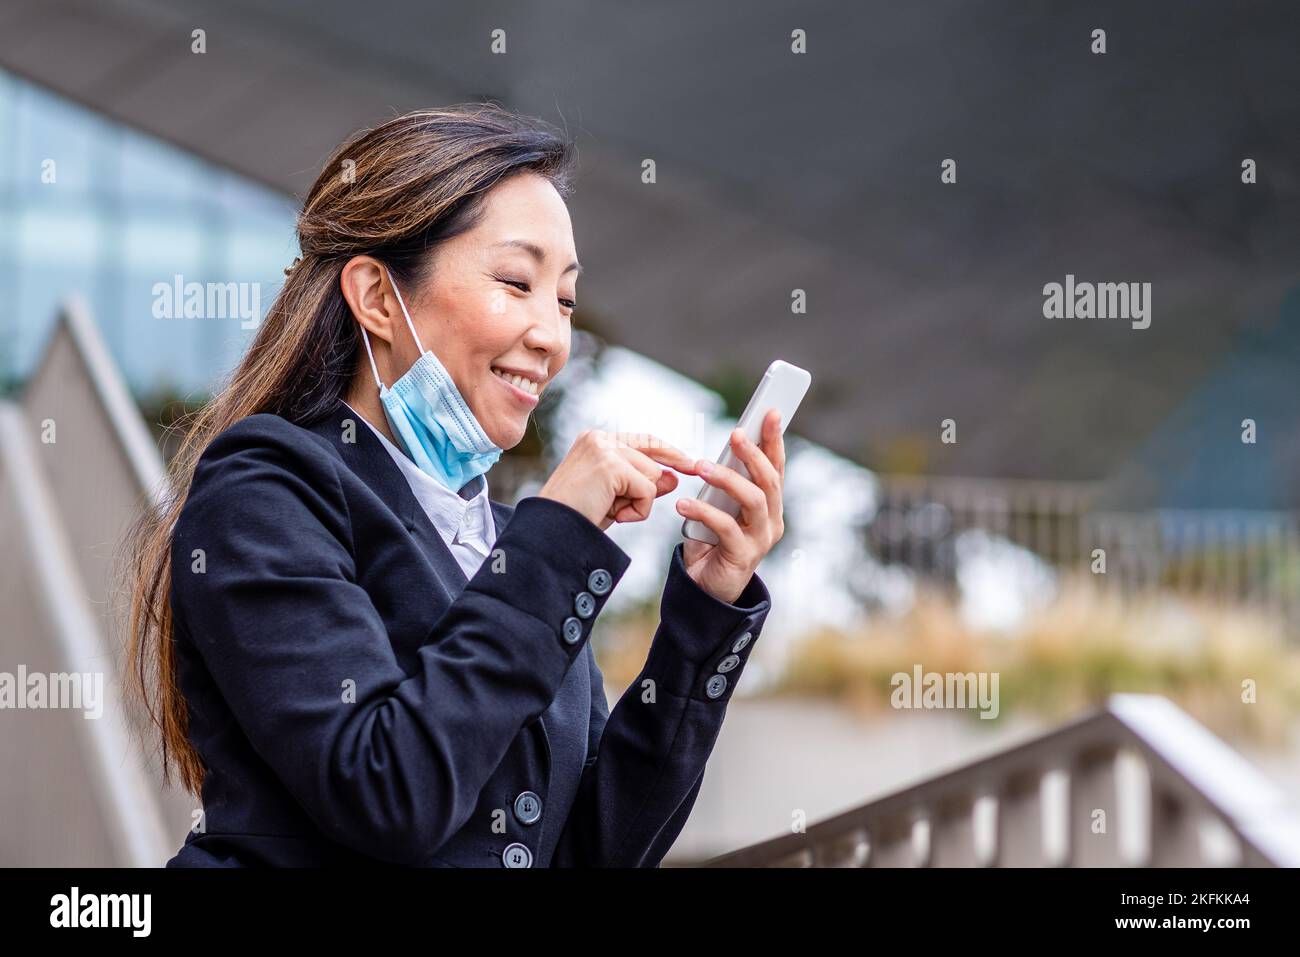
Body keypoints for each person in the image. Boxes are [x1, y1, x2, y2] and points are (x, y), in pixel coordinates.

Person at [126, 104, 785, 867]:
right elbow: (384, 789)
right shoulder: (265, 487)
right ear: (377, 297)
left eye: (565, 299)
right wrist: (556, 538)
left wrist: (701, 615)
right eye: (516, 282)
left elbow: (590, 850)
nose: (551, 335)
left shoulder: (513, 543)